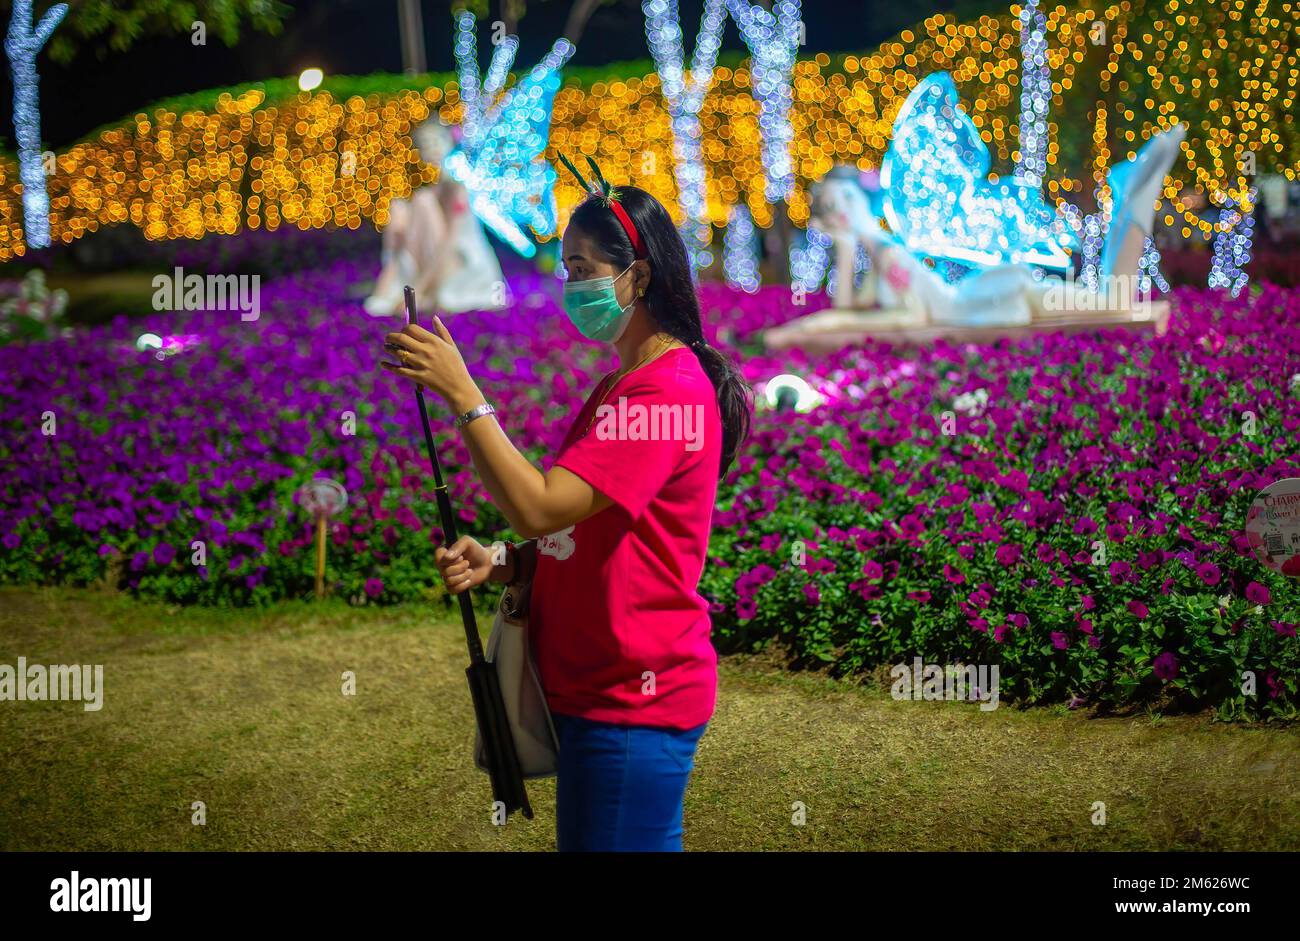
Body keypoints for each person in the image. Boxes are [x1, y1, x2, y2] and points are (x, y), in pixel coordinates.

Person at [380, 176, 752, 851]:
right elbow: (576, 529)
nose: (570, 285)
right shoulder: (625, 382)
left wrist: (465, 394)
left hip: (634, 703)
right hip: (595, 695)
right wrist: (503, 563)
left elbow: (538, 505)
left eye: (584, 269)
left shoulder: (664, 394)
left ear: (637, 278)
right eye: (566, 268)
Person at [364, 120, 506, 317]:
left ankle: (413, 289)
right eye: (425, 143)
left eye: (436, 140)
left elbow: (449, 245)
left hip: (461, 262)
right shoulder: (433, 189)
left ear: (448, 142)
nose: (432, 148)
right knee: (400, 208)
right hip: (436, 256)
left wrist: (419, 290)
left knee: (421, 202)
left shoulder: (455, 189)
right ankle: (392, 284)